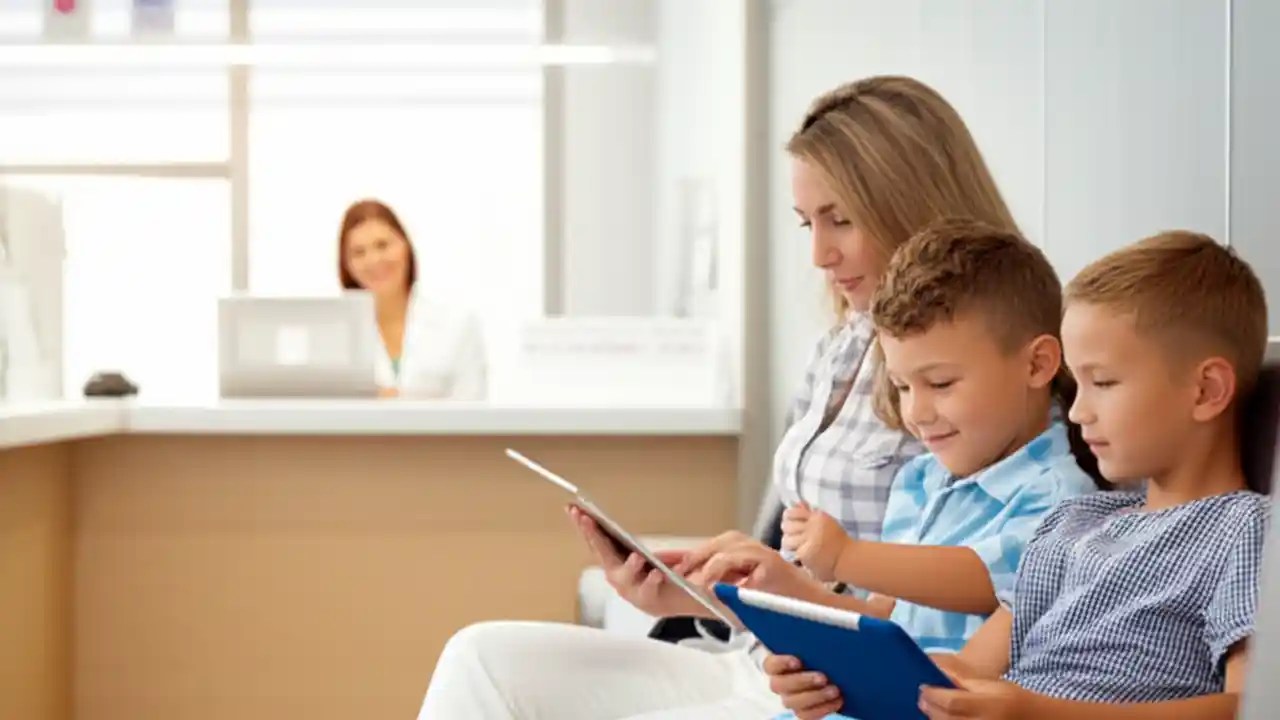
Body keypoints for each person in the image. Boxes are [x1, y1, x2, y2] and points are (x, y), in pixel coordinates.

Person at [417, 75, 1025, 719]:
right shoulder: (841, 348)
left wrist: (803, 586)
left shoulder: (982, 379)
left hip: (828, 688)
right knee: (478, 657)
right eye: (808, 223)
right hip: (761, 658)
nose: (819, 254)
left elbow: (948, 609)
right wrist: (691, 594)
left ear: (912, 204)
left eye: (841, 220)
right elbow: (798, 574)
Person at [767, 231, 1272, 720]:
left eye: (1103, 382)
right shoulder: (1073, 524)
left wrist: (1036, 713)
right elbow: (959, 676)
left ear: (1206, 390)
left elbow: (1252, 707)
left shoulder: (1245, 531)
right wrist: (837, 683)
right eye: (1079, 384)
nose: (1078, 412)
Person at [337, 199, 486, 400]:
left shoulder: (458, 325)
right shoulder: (338, 336)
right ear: (347, 266)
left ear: (406, 247)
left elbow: (473, 410)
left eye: (383, 245)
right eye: (358, 253)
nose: (374, 260)